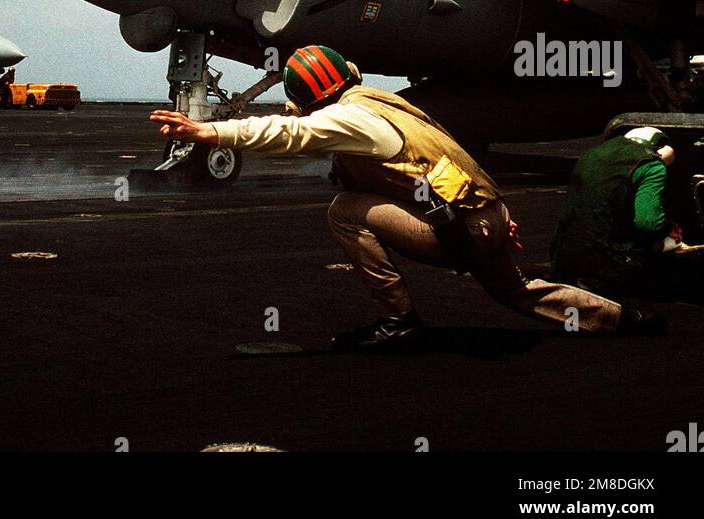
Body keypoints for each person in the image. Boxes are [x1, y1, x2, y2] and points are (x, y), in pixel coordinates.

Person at [151, 45, 655, 350]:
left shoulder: (346, 119)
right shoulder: (388, 103)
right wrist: (497, 216)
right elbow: (449, 154)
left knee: (345, 212)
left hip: (463, 227)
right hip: (482, 213)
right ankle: (624, 318)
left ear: (311, 94)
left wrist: (209, 133)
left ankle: (399, 321)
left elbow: (286, 133)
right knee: (518, 292)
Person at [551, 126, 681, 300]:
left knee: (573, 320)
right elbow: (648, 223)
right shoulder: (651, 165)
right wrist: (668, 229)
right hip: (605, 266)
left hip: (562, 258)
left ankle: (572, 325)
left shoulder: (592, 155)